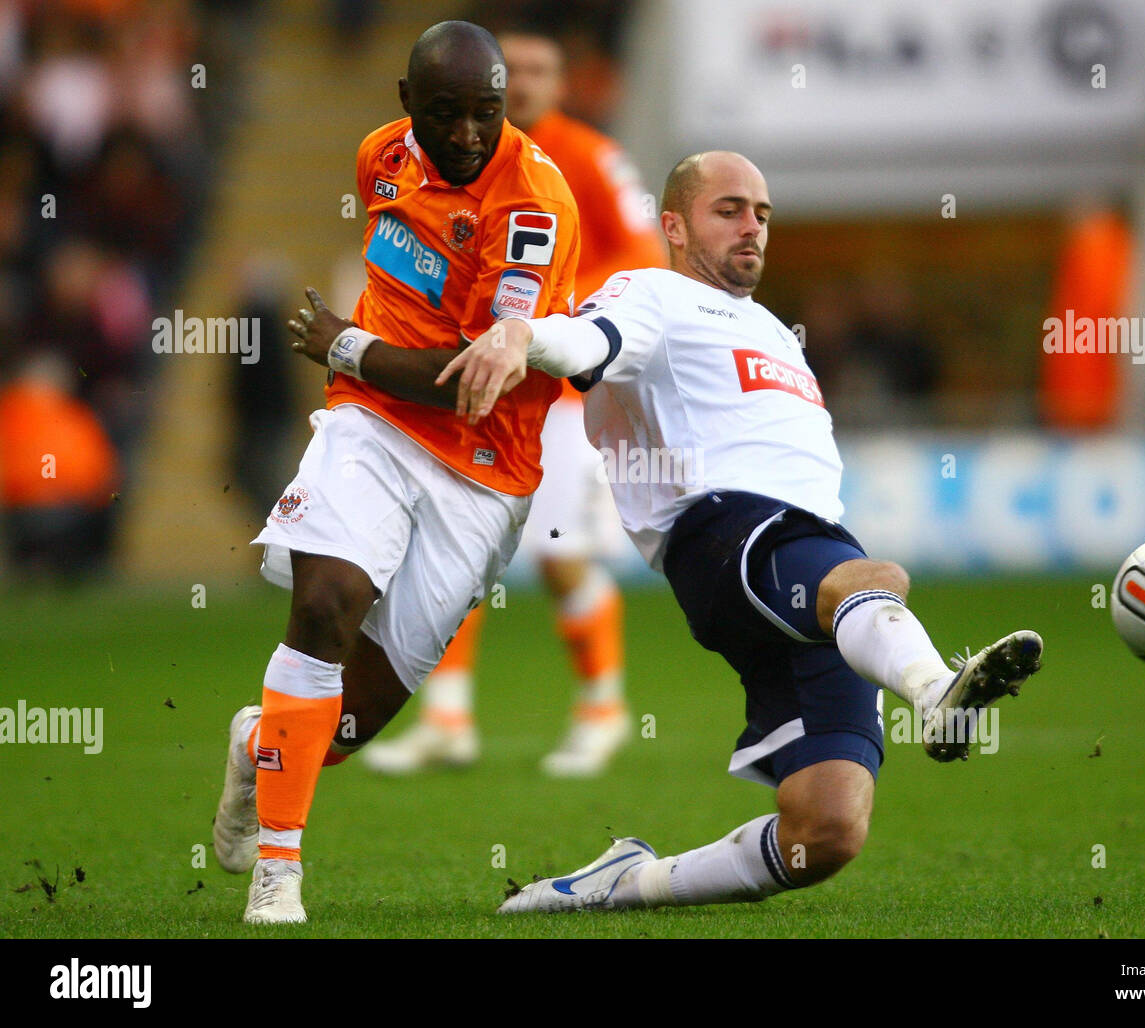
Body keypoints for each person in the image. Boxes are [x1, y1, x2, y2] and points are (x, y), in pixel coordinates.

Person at [439, 151, 1044, 912]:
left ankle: (624, 884)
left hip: (807, 561)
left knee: (825, 831)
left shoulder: (775, 332)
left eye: (762, 212)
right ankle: (935, 692)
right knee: (878, 578)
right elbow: (593, 342)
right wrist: (521, 336)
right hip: (725, 534)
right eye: (728, 209)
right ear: (674, 225)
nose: (751, 225)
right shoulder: (653, 292)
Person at [211, 20, 580, 924]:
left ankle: (261, 744)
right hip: (370, 421)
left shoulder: (532, 207)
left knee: (349, 722)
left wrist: (346, 343)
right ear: (407, 107)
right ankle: (280, 872)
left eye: (485, 116)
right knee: (326, 601)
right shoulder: (380, 157)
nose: (465, 135)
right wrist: (360, 364)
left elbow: (470, 383)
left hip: (484, 466)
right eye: (446, 115)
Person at [362, 28, 665, 778]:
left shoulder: (586, 160)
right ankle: (447, 717)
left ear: (560, 85)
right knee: (442, 559)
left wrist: (549, 307)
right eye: (516, 69)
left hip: (553, 396)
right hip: (465, 381)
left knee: (562, 555)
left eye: (539, 69)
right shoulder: (444, 162)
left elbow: (645, 258)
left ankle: (602, 709)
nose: (525, 83)